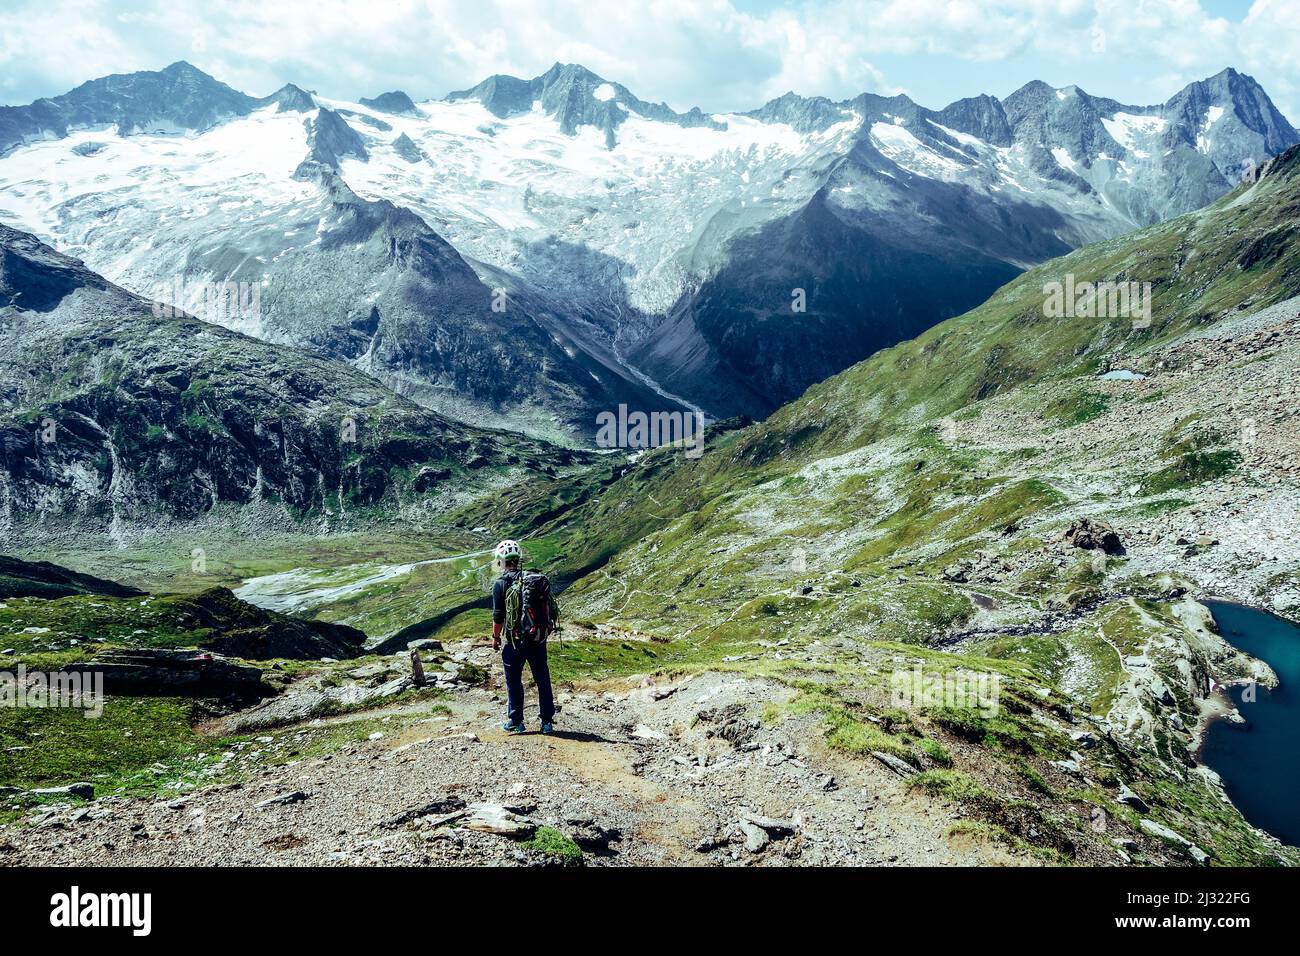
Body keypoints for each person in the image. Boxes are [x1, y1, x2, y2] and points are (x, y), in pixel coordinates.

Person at [491, 539, 556, 734]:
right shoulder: (533, 578)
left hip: (515, 640)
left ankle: (516, 721)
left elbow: (498, 617)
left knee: (513, 679)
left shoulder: (500, 584)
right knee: (542, 677)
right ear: (518, 559)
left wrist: (495, 637)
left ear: (501, 561)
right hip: (537, 638)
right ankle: (546, 722)